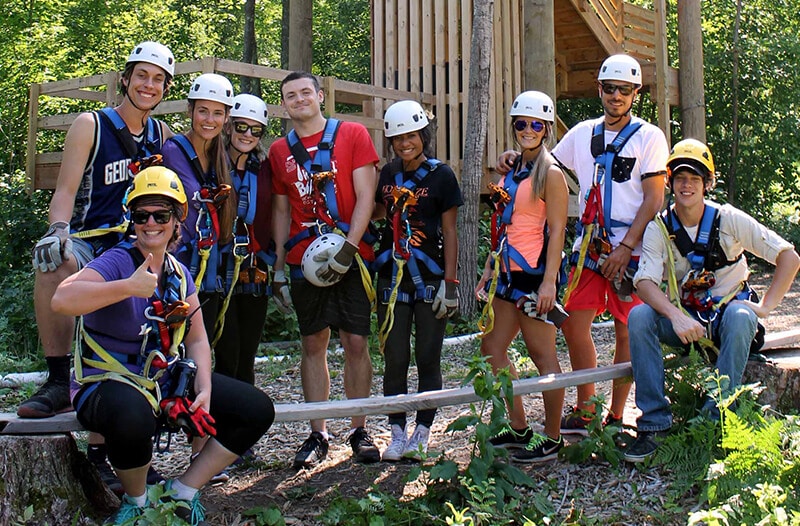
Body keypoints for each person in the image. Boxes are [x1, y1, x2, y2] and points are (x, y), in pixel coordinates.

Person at [51, 166, 275, 524]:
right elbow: (62, 300)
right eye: (142, 215)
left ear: (177, 219)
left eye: (161, 215)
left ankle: (183, 492)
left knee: (256, 408)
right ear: (132, 219)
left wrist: (203, 387)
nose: (151, 223)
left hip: (160, 379)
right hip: (104, 381)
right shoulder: (118, 261)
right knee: (132, 414)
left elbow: (197, 337)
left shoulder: (178, 273)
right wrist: (126, 287)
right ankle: (137, 502)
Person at [24, 41, 175, 490]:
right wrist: (57, 230)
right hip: (92, 242)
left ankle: (122, 446)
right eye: (141, 75)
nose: (148, 85)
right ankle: (58, 379)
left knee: (159, 301)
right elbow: (65, 191)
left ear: (165, 89)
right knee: (53, 262)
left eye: (158, 79)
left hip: (138, 244)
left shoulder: (162, 135)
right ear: (125, 78)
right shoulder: (91, 124)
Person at [499, 54, 669, 433]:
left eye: (624, 90)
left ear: (636, 94)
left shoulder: (649, 137)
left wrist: (626, 247)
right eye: (610, 88)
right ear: (600, 89)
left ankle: (617, 414)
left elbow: (654, 198)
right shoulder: (582, 134)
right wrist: (515, 157)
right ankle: (587, 407)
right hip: (590, 247)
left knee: (629, 330)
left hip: (633, 249)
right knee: (574, 325)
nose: (616, 96)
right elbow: (545, 165)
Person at [623, 139, 799, 463]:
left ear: (708, 183)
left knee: (741, 317)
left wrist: (765, 308)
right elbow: (644, 282)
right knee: (639, 317)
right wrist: (675, 316)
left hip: (729, 317)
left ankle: (714, 417)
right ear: (670, 182)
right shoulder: (659, 228)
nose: (686, 185)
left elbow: (788, 257)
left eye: (695, 178)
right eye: (680, 178)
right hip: (688, 321)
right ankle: (654, 425)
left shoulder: (728, 220)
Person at [269, 71, 380, 468]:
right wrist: (278, 268)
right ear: (284, 105)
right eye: (290, 96)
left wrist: (350, 248)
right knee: (312, 343)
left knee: (356, 342)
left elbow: (366, 194)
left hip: (351, 253)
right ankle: (318, 432)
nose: (299, 99)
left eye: (305, 92)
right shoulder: (279, 151)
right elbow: (281, 210)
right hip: (304, 257)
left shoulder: (352, 135)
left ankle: (358, 428)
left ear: (320, 96)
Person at [476, 91, 568, 462]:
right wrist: (489, 267)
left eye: (535, 125)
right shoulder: (513, 170)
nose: (528, 130)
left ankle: (553, 436)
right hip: (506, 273)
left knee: (542, 354)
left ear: (546, 129)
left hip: (533, 275)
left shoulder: (552, 174)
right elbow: (505, 224)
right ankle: (518, 426)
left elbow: (558, 230)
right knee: (492, 348)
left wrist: (549, 282)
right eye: (521, 124)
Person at [374, 100, 462, 461]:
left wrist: (451, 283)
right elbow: (376, 213)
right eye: (398, 139)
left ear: (423, 136)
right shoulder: (387, 174)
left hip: (429, 276)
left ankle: (422, 431)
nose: (404, 143)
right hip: (391, 276)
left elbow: (450, 231)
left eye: (411, 136)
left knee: (428, 356)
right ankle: (397, 431)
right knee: (395, 357)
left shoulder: (442, 176)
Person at [161, 73, 237, 341]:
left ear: (226, 118)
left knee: (204, 345)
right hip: (179, 267)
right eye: (203, 111)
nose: (209, 120)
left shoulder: (220, 157)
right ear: (190, 110)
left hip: (209, 269)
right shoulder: (172, 152)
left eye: (217, 113)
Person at [214, 93, 273, 384]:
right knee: (227, 351)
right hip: (218, 266)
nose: (247, 135)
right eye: (241, 127)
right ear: (229, 126)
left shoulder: (265, 169)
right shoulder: (213, 163)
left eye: (255, 130)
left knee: (247, 354)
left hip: (253, 267)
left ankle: (245, 408)